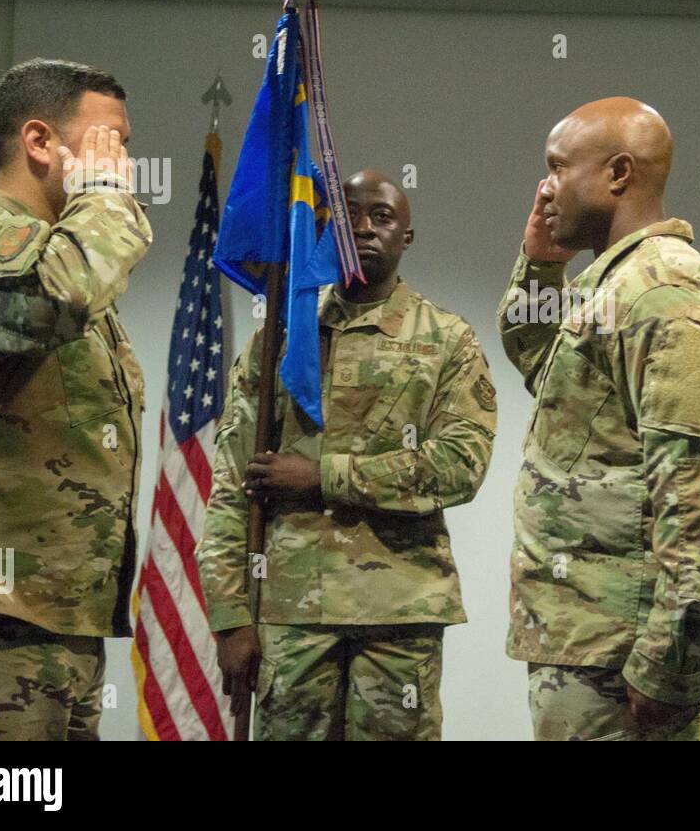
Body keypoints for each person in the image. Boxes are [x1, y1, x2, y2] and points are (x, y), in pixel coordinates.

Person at [499, 96, 700, 741]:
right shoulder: (613, 288)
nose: (545, 186)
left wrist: (668, 667)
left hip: (628, 650)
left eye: (558, 166)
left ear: (618, 173)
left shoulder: (667, 300)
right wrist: (541, 265)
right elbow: (546, 371)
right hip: (591, 637)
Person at [199, 169, 497, 740]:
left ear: (406, 236)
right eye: (350, 215)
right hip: (291, 611)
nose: (364, 227)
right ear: (328, 229)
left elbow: (461, 464)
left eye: (382, 216)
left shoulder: (447, 340)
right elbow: (233, 483)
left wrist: (324, 478)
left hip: (398, 614)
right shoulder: (281, 340)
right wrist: (230, 617)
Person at [0, 58, 152, 739]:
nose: (124, 164)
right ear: (41, 142)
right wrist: (105, 197)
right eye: (109, 142)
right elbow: (62, 294)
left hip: (57, 620)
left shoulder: (47, 254)